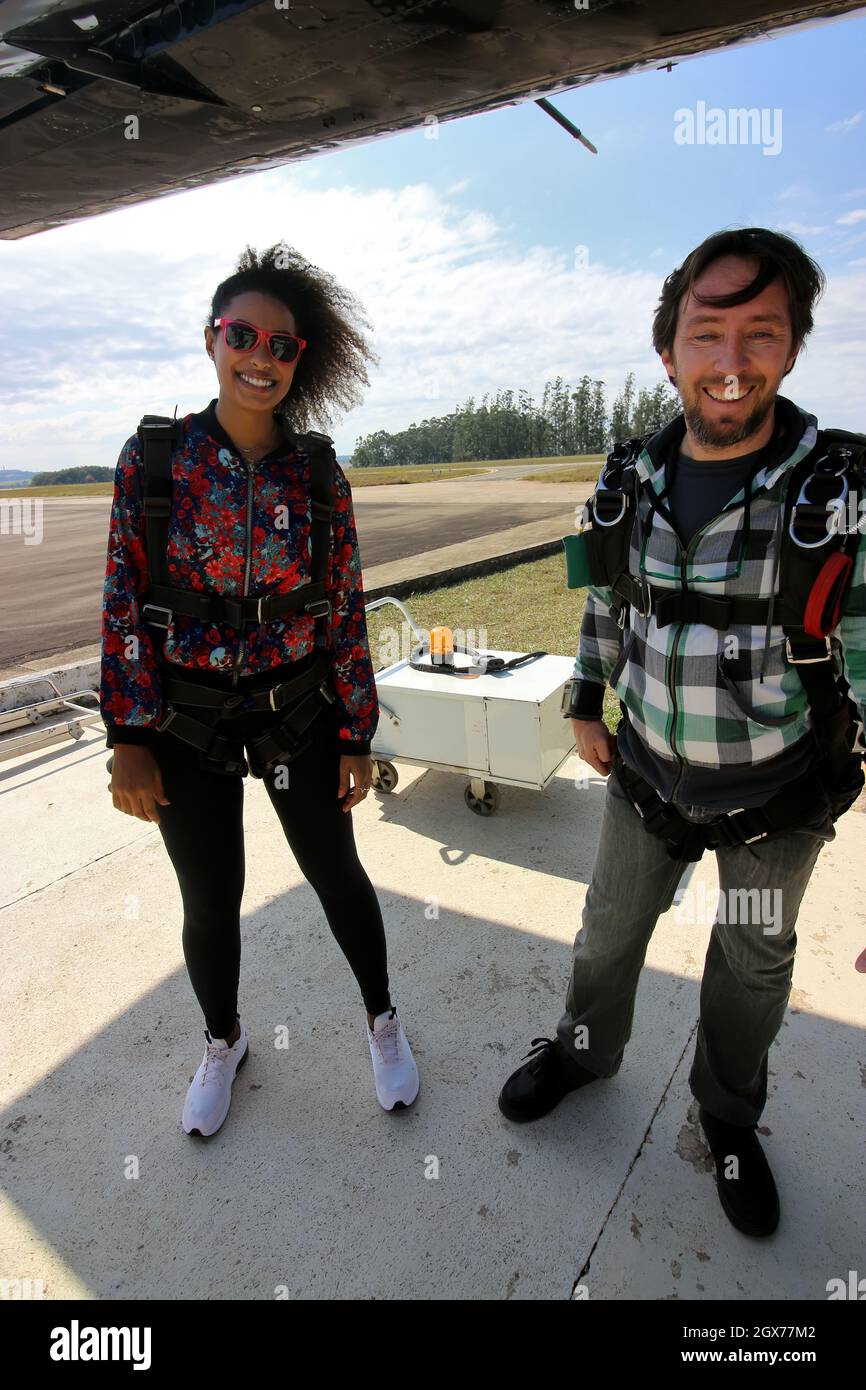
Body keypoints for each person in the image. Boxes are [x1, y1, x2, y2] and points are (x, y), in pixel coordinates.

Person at [498, 227, 866, 1238]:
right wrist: (583, 699)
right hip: (647, 776)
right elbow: (606, 606)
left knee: (748, 963)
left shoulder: (836, 496)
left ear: (790, 349)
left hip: (776, 797)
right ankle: (581, 1052)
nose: (730, 360)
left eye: (760, 332)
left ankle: (726, 1115)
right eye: (707, 333)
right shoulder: (625, 480)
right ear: (668, 352)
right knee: (605, 932)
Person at [101, 242, 419, 1137]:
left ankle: (383, 1020)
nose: (262, 358)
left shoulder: (317, 475)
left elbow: (347, 608)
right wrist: (126, 731)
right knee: (211, 896)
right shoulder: (155, 459)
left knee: (336, 875)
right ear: (212, 341)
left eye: (283, 346)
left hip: (300, 712)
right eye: (245, 336)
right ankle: (223, 1040)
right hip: (184, 719)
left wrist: (358, 732)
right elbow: (124, 594)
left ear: (300, 361)